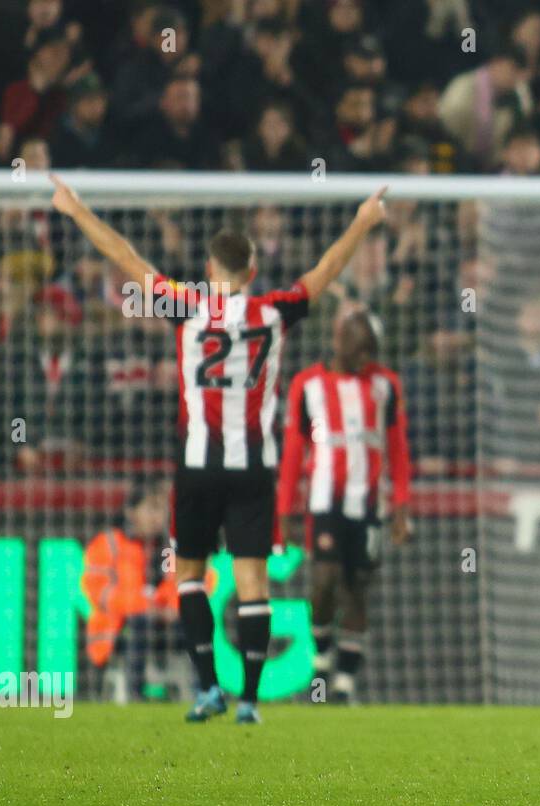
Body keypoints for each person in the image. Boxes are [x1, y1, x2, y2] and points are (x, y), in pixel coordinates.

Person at [49, 172, 387, 724]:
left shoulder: (185, 306)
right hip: (254, 469)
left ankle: (208, 688)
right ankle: (250, 699)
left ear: (209, 271)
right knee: (252, 584)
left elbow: (127, 257)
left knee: (188, 577)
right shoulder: (275, 312)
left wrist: (75, 209)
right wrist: (361, 221)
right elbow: (325, 271)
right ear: (252, 273)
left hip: (198, 467)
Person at [278, 310, 413, 704]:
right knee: (323, 581)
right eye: (360, 350)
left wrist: (402, 510)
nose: (365, 359)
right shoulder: (307, 385)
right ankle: (320, 661)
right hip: (323, 501)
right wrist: (284, 511)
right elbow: (292, 452)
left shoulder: (385, 385)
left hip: (369, 504)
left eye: (371, 352)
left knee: (356, 591)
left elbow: (399, 450)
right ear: (339, 341)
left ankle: (344, 687)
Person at [80, 480, 187, 699]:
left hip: (162, 625)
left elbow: (182, 585)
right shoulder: (109, 544)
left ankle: (199, 691)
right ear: (131, 512)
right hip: (118, 628)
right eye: (151, 509)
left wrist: (173, 609)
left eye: (162, 510)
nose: (158, 517)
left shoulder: (169, 549)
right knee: (140, 622)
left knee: (194, 622)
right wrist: (145, 607)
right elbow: (99, 591)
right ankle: (133, 693)